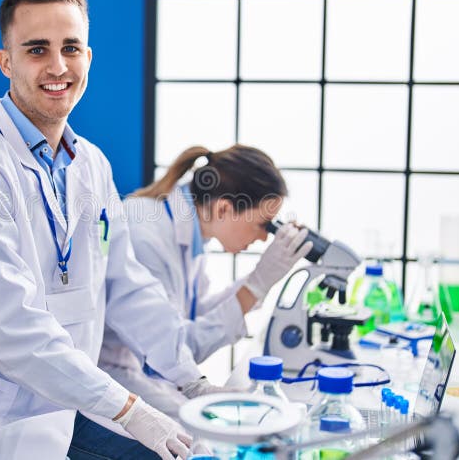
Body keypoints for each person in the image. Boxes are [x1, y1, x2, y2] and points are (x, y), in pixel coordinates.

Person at [0, 0, 224, 460]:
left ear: (88, 57)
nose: (57, 66)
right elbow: (11, 326)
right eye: (37, 50)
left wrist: (191, 379)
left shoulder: (90, 164)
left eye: (70, 48)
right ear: (6, 62)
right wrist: (130, 409)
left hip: (61, 410)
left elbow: (125, 286)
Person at [97, 144, 313, 418]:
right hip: (112, 374)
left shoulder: (191, 231)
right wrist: (257, 283)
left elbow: (193, 317)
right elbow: (178, 345)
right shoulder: (146, 236)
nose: (263, 237)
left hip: (148, 372)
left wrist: (262, 279)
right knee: (196, 435)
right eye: (263, 224)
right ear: (223, 209)